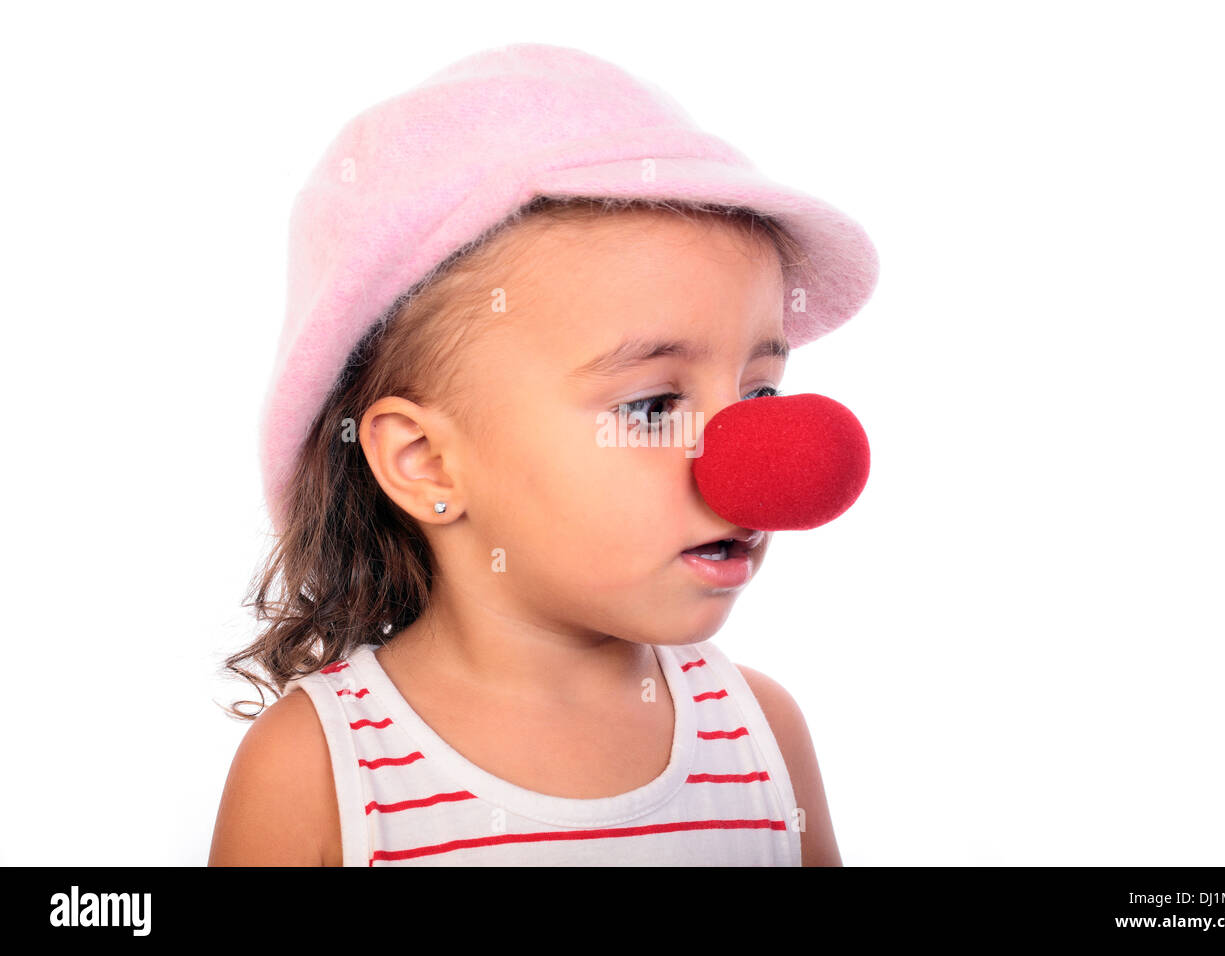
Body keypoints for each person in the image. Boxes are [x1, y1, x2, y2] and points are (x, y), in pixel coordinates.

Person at [208, 42, 879, 867]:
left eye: (760, 393)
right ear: (426, 461)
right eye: (652, 405)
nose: (751, 461)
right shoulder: (320, 769)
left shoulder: (763, 736)